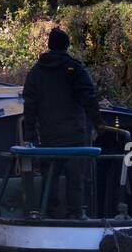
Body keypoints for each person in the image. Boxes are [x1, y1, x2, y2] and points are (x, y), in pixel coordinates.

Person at [22, 27, 103, 218]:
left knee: (49, 177)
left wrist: (31, 136)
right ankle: (77, 214)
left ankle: (48, 213)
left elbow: (30, 108)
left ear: (49, 46)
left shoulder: (36, 72)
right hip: (74, 137)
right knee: (76, 179)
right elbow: (88, 98)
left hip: (49, 137)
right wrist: (98, 123)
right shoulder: (74, 70)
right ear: (66, 46)